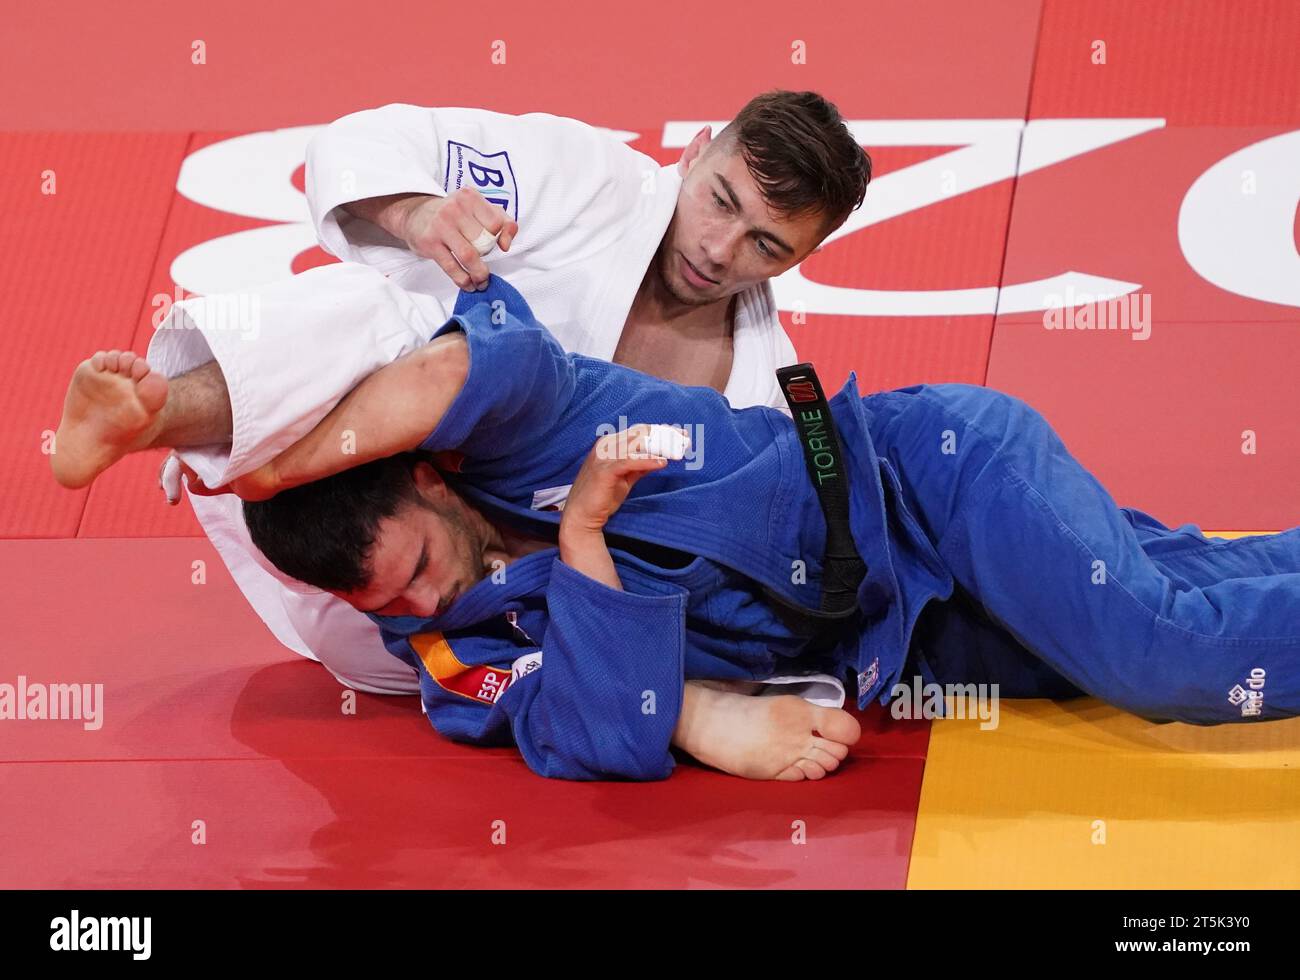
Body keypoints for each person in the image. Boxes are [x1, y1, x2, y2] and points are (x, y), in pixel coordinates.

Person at [51, 268, 1300, 782]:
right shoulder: (451, 649)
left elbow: (462, 363)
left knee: (1165, 657)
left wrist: (177, 427)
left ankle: (165, 415)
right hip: (913, 642)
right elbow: (602, 733)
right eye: (390, 610)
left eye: (419, 569)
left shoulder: (536, 425)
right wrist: (585, 547)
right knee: (1197, 581)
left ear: (431, 481)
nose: (422, 610)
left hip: (931, 475)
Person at [153, 90, 872, 695]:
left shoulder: (765, 393)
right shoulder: (581, 180)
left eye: (765, 245)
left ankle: (675, 712)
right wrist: (414, 214)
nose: (720, 249)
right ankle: (193, 413)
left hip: (459, 617)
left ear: (803, 258)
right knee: (392, 317)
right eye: (720, 200)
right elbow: (365, 140)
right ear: (695, 151)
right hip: (360, 486)